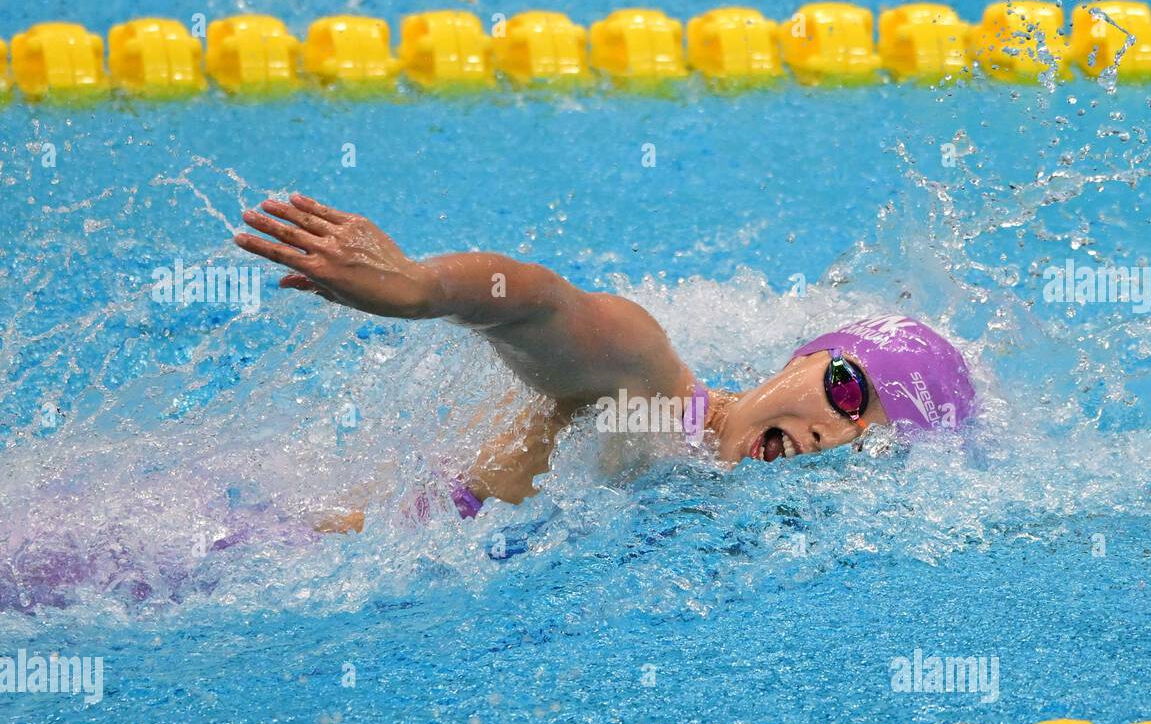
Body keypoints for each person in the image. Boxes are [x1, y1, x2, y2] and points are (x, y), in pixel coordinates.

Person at [235, 194, 976, 527]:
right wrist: (422, 288)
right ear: (805, 359)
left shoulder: (717, 493)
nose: (839, 436)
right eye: (849, 393)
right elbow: (542, 303)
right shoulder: (654, 392)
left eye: (876, 437)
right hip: (260, 555)